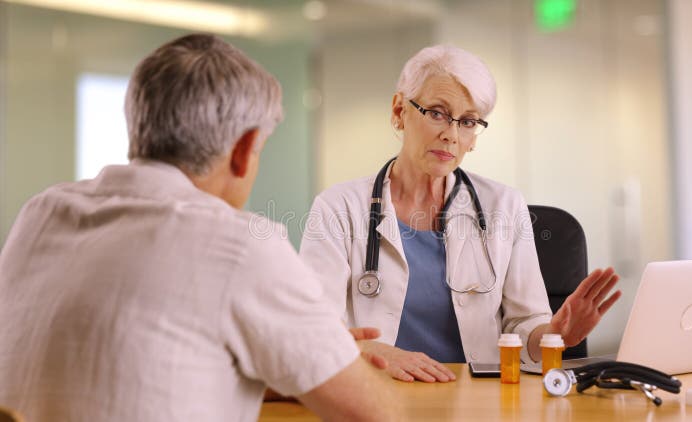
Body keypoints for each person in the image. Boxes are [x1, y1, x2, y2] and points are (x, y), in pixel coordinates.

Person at [0, 34, 396, 421]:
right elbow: (372, 414)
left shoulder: (42, 213)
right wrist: (329, 354)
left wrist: (295, 357)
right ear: (243, 151)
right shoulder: (241, 247)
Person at [299, 45, 622, 383]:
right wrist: (371, 351)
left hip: (479, 398)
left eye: (467, 121)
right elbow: (314, 324)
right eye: (437, 112)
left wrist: (557, 336)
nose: (450, 135)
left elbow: (525, 329)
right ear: (399, 111)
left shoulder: (504, 206)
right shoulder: (338, 208)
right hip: (376, 393)